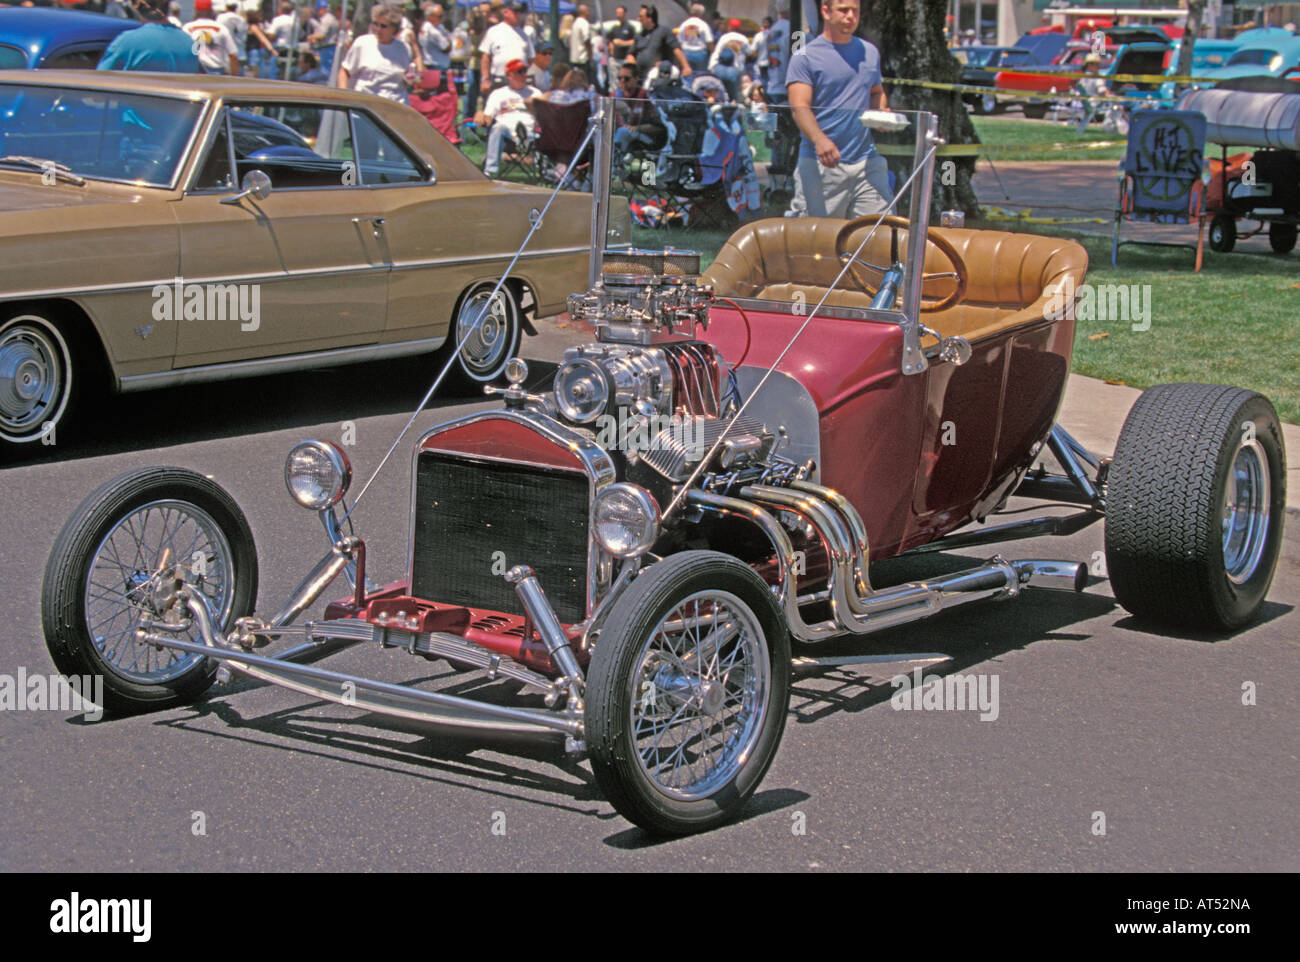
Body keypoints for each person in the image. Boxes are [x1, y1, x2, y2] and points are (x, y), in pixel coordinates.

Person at [785, 0, 891, 218]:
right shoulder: (804, 57)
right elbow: (799, 107)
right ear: (825, 11)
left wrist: (881, 112)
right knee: (816, 244)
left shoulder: (869, 52)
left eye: (855, 11)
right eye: (843, 10)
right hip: (822, 164)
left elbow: (876, 91)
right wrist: (819, 139)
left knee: (878, 235)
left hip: (866, 162)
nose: (850, 16)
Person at [338, 2, 414, 104]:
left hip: (396, 106)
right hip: (366, 106)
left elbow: (405, 81)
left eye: (383, 26)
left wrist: (412, 78)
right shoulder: (362, 43)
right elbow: (345, 71)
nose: (377, 29)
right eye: (375, 24)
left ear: (394, 28)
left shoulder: (403, 48)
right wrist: (344, 97)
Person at [97, 0, 200, 72]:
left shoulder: (126, 42)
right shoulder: (190, 44)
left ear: (136, 6)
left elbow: (98, 88)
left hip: (135, 104)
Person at [479, 58, 540, 177]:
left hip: (530, 136)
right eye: (520, 71)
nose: (524, 75)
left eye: (525, 71)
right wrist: (480, 115)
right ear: (509, 75)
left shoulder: (535, 93)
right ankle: (489, 171)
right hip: (507, 138)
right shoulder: (498, 94)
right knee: (498, 127)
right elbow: (488, 116)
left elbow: (544, 117)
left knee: (533, 129)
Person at [479, 0, 533, 94]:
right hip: (499, 80)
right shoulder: (493, 31)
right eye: (515, 12)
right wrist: (485, 79)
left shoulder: (524, 35)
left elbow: (530, 59)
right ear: (505, 12)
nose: (518, 15)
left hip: (519, 81)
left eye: (520, 12)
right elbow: (485, 57)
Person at [632, 5, 689, 78]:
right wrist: (631, 61)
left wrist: (686, 67)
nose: (638, 19)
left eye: (641, 17)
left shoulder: (664, 32)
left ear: (649, 19)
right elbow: (631, 53)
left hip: (658, 75)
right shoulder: (639, 36)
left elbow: (676, 49)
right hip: (640, 76)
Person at [677, 3, 713, 73]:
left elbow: (679, 41)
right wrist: (713, 52)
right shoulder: (703, 25)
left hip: (686, 53)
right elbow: (709, 41)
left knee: (686, 74)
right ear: (701, 14)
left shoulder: (684, 24)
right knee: (700, 76)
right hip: (700, 54)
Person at [418, 2, 452, 70]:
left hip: (439, 66)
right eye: (440, 16)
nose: (442, 18)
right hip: (435, 66)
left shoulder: (439, 26)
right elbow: (446, 48)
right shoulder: (431, 30)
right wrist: (449, 41)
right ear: (431, 16)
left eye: (443, 15)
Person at [217, 3, 249, 73]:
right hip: (240, 53)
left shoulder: (221, 17)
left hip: (226, 55)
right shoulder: (241, 19)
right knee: (240, 81)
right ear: (236, 8)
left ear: (226, 7)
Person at [568, 4, 592, 75]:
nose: (589, 13)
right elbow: (586, 39)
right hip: (582, 59)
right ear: (585, 12)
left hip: (573, 58)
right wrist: (590, 53)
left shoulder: (575, 23)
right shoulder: (584, 23)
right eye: (588, 11)